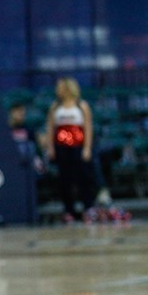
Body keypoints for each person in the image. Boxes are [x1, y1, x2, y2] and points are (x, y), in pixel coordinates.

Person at [44, 78, 97, 223]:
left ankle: (88, 207)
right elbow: (50, 128)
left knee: (84, 178)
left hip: (78, 146)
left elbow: (88, 127)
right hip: (62, 147)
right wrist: (50, 147)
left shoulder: (81, 105)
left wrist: (87, 148)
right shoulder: (55, 107)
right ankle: (69, 209)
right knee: (65, 180)